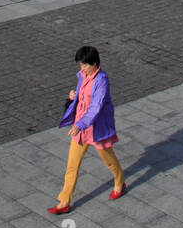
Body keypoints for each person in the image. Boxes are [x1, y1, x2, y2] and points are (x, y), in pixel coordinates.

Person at [49, 46, 126, 214]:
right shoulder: (83, 76)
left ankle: (120, 181)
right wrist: (74, 95)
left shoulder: (101, 80)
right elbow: (83, 98)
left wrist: (79, 125)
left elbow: (96, 107)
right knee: (72, 166)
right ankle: (64, 201)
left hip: (96, 129)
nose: (81, 68)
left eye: (84, 65)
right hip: (81, 129)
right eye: (80, 65)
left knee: (109, 161)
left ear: (94, 63)